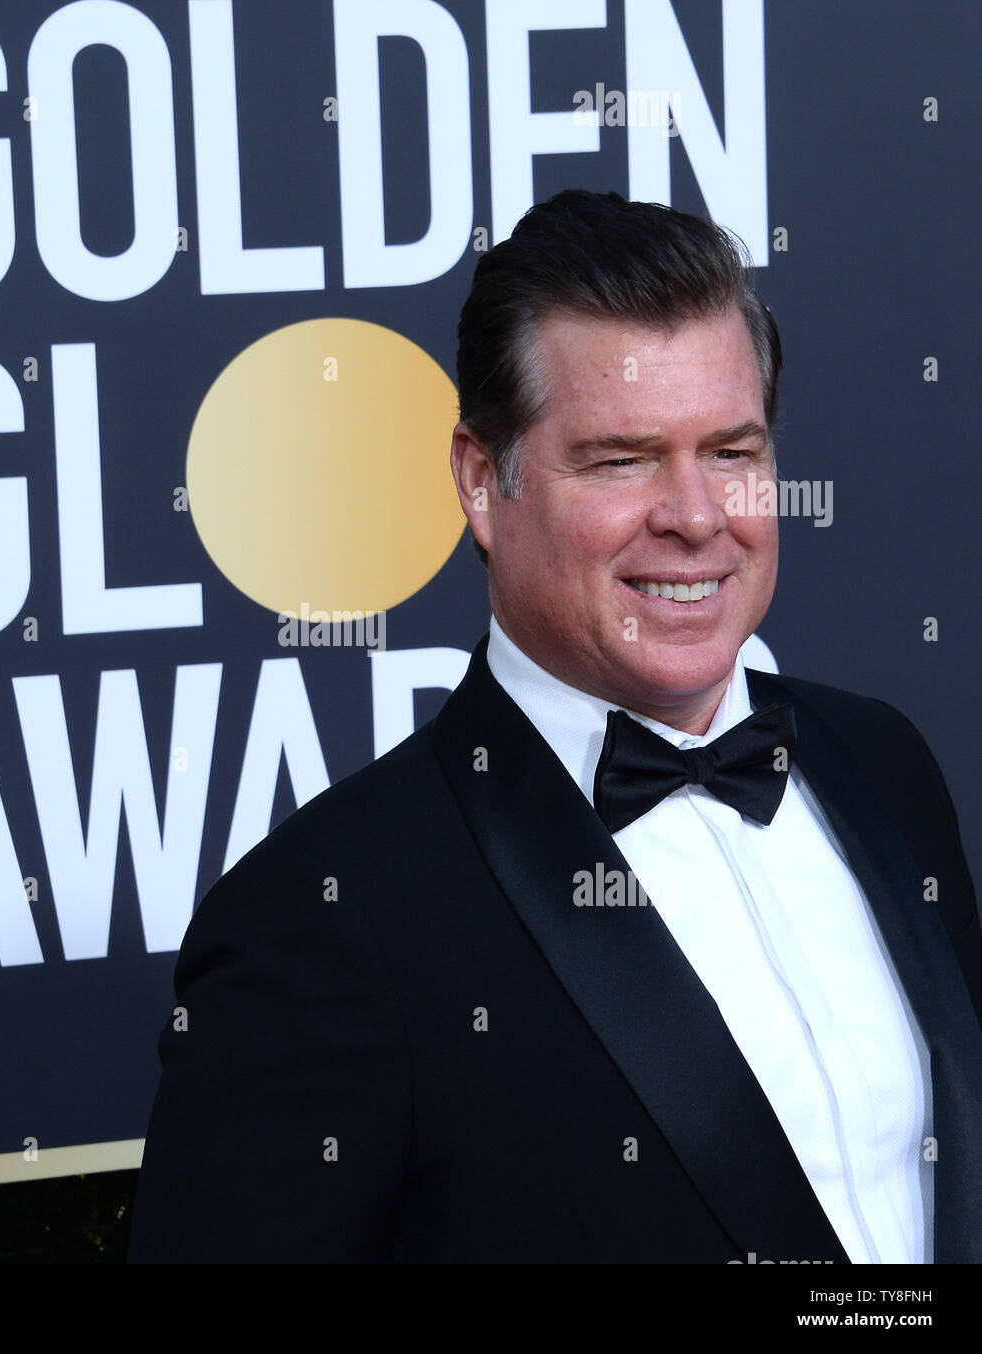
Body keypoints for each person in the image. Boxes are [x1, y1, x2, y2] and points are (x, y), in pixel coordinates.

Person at [129, 190, 982, 1263]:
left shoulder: (881, 762)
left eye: (731, 451)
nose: (695, 515)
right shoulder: (332, 917)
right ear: (483, 481)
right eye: (621, 459)